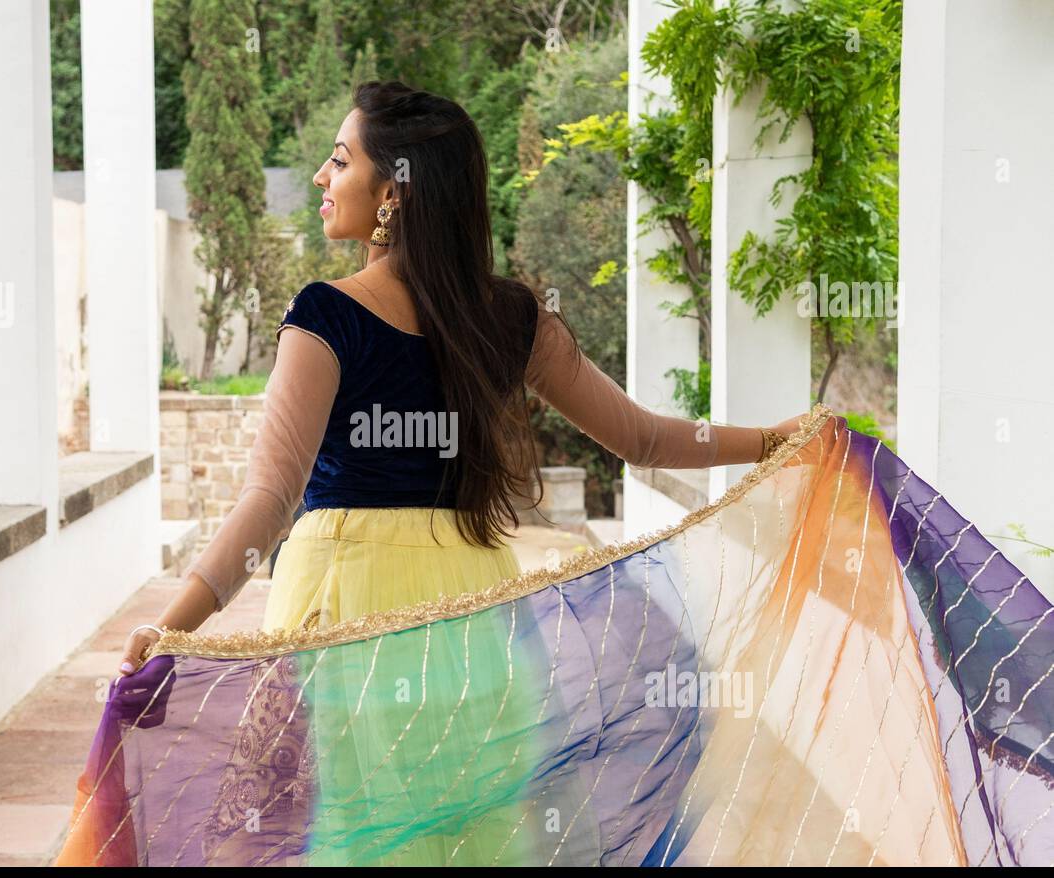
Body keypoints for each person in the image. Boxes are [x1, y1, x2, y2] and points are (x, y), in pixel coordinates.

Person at [117, 80, 806, 678]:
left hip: (347, 606)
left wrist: (174, 626)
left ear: (391, 192)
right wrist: (773, 441)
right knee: (466, 826)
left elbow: (271, 499)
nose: (322, 180)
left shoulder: (325, 315)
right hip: (474, 604)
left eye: (338, 161)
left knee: (362, 827)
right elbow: (643, 439)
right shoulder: (508, 319)